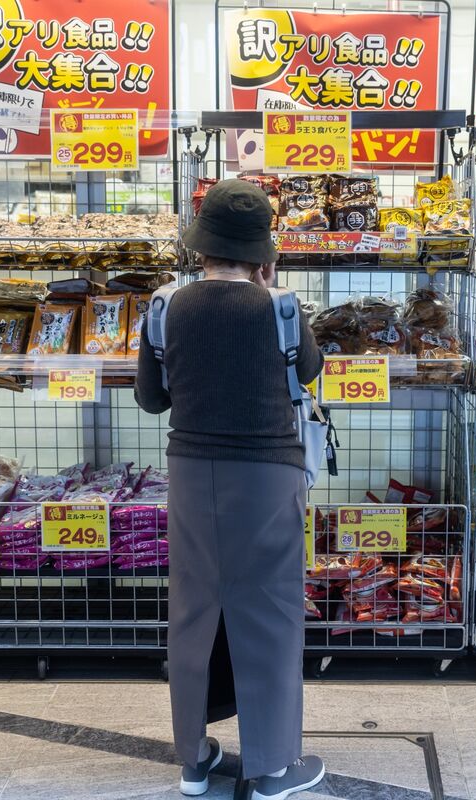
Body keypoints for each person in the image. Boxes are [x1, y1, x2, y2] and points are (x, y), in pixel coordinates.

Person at [135, 179, 326, 800]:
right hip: (268, 475)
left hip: (192, 472)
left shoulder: (166, 307)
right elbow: (310, 372)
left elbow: (150, 399)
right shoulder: (283, 308)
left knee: (193, 610)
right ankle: (272, 768)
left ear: (200, 249)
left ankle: (193, 762)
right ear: (262, 256)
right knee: (269, 613)